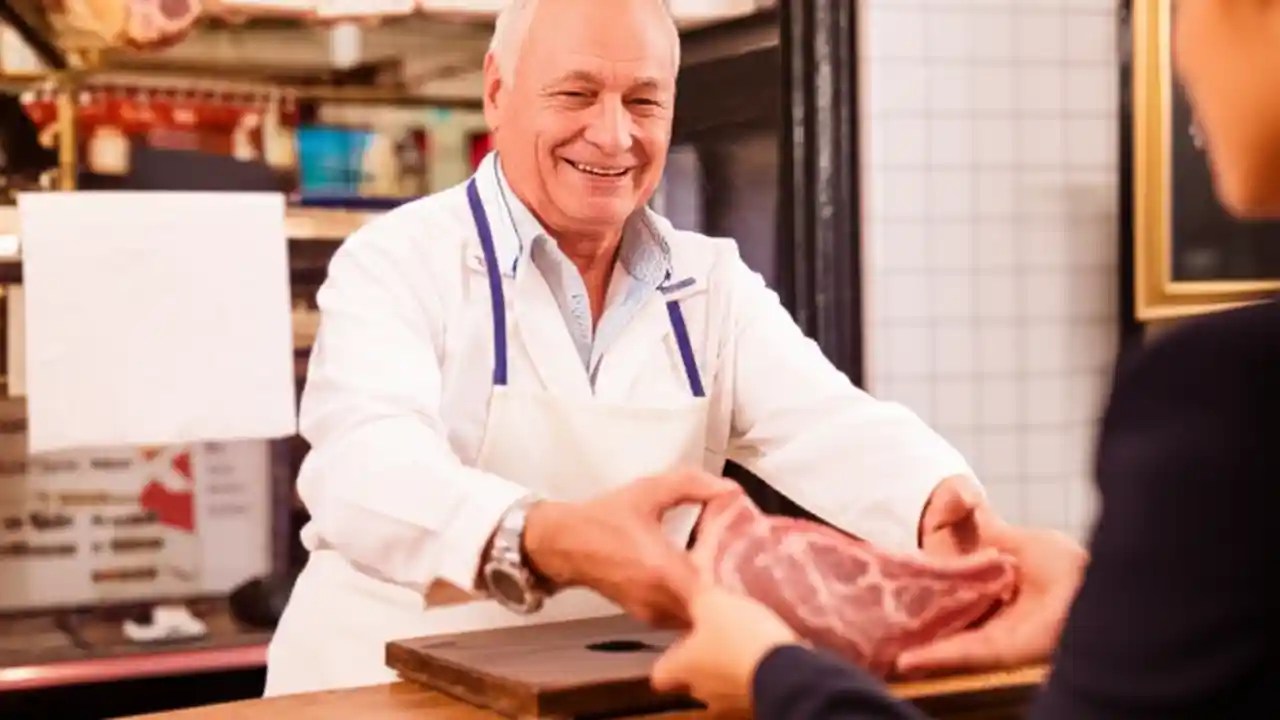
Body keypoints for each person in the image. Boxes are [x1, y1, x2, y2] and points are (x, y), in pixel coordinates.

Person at [262, 0, 1078, 697]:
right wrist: (550, 536)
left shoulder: (709, 281)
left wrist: (933, 498)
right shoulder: (399, 260)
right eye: (576, 93)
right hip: (374, 689)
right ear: (498, 90)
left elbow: (830, 422)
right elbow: (364, 468)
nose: (613, 134)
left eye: (644, 101)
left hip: (584, 690)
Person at [648, 0, 1280, 717]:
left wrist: (775, 678)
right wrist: (1114, 601)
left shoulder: (1225, 396)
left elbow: (815, 416)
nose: (1177, 50)